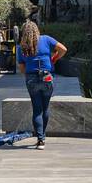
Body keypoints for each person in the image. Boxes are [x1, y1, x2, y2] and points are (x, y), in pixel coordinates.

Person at [16, 16, 67, 149]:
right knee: (45, 108)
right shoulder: (46, 39)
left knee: (37, 109)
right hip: (47, 77)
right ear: (37, 30)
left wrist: (30, 72)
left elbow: (22, 68)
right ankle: (42, 137)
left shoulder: (21, 46)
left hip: (32, 78)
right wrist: (53, 59)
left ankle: (40, 139)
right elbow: (63, 49)